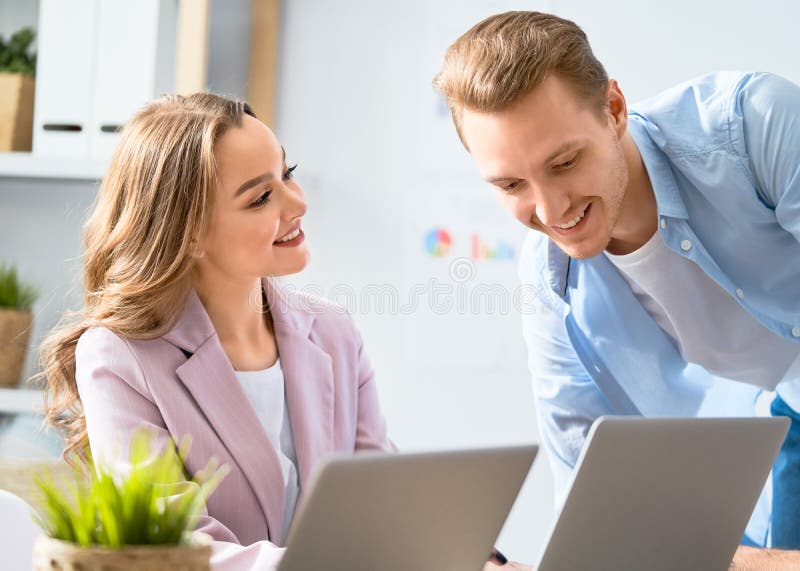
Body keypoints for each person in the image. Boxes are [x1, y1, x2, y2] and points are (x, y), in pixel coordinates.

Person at [434, 10, 800, 568]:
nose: (551, 211)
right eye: (511, 184)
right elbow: (588, 494)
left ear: (614, 109)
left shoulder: (754, 128)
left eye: (564, 162)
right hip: (751, 474)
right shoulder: (552, 284)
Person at [39, 93, 394, 569]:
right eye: (261, 197)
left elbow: (385, 502)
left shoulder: (333, 332)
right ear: (189, 233)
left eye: (287, 174)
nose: (298, 203)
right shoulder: (120, 357)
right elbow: (176, 547)